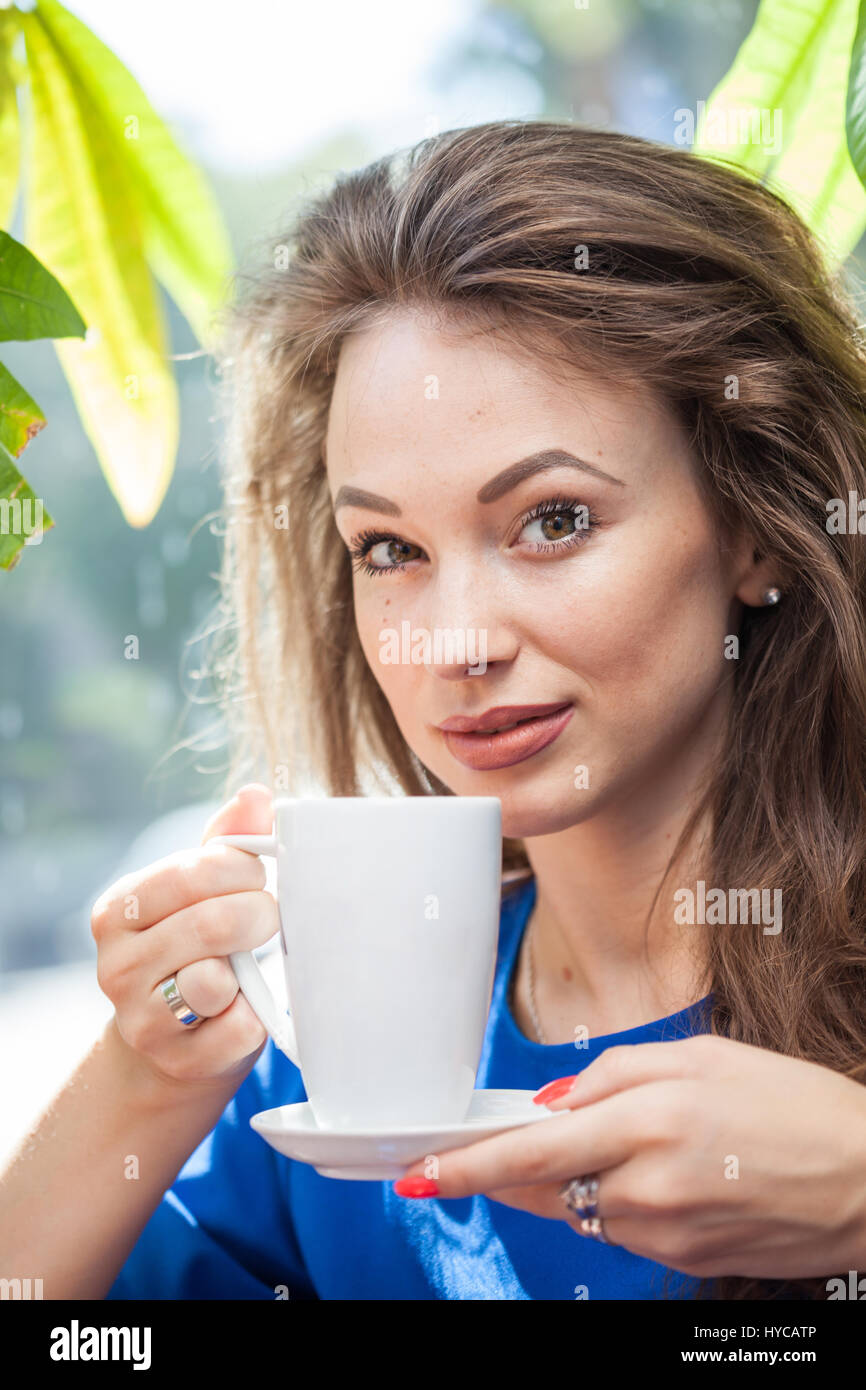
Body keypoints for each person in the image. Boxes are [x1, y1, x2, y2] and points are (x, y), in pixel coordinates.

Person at [3, 119, 866, 1301]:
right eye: (390, 546)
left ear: (756, 530)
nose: (450, 640)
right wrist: (142, 1077)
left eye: (552, 519)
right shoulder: (323, 1059)